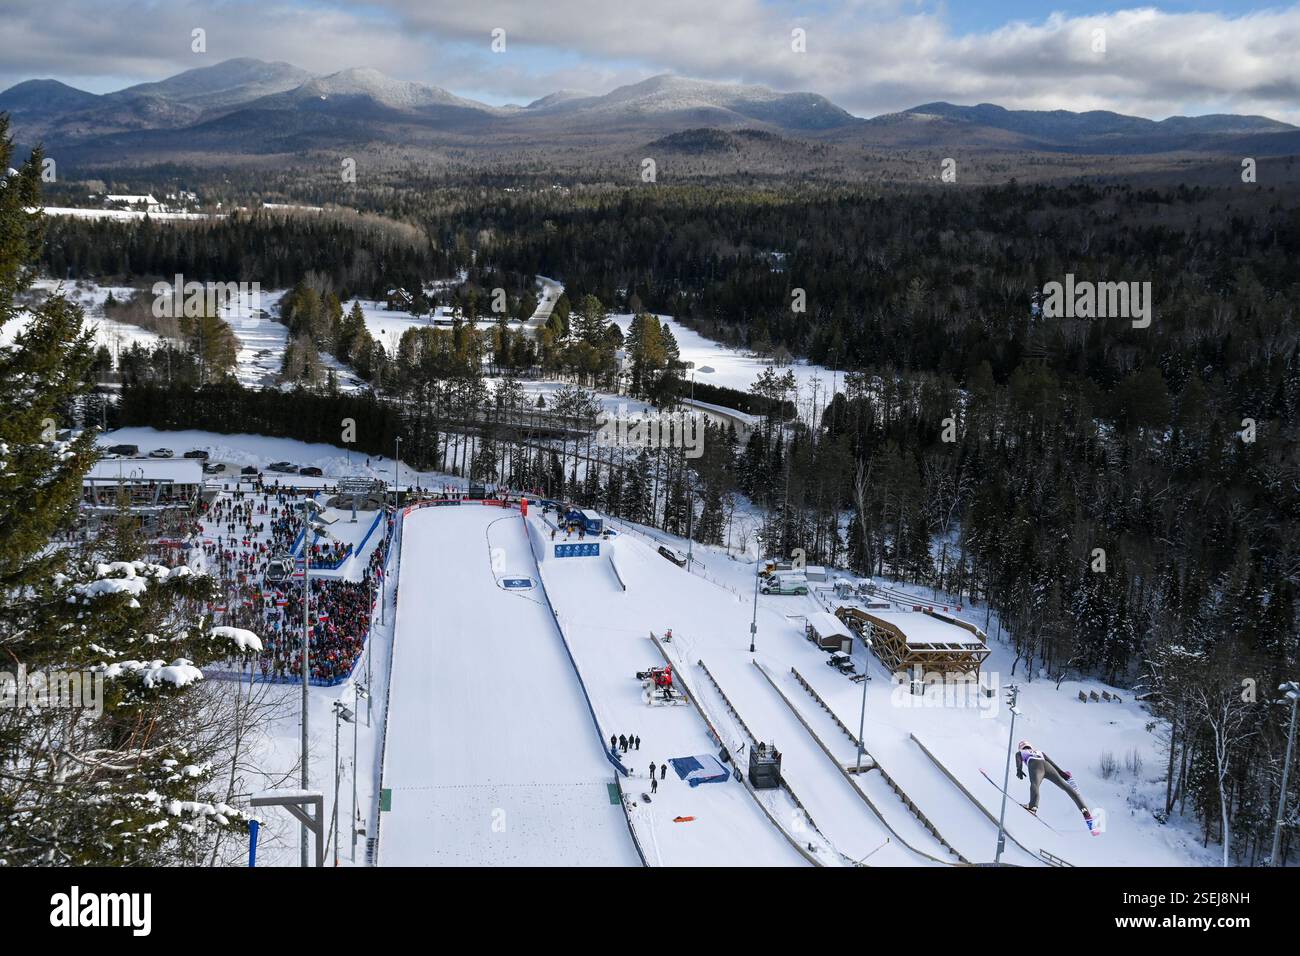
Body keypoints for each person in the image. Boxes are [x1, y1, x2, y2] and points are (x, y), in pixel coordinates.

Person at [1015, 740, 1096, 832]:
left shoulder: (1020, 752)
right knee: (1065, 786)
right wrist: (1062, 774)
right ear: (1030, 746)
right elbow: (1052, 763)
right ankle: (1084, 810)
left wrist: (1019, 769)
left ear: (1021, 747)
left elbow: (1018, 760)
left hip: (1035, 765)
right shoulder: (1039, 752)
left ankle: (1033, 806)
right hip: (1047, 766)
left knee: (1035, 784)